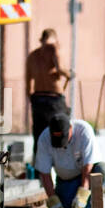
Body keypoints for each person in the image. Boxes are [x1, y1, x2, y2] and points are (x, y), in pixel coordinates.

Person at [34, 113, 105, 208]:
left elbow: (88, 165)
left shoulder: (84, 131)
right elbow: (44, 173)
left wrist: (83, 192)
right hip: (66, 182)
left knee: (103, 170)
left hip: (85, 176)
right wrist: (52, 199)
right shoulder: (44, 139)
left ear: (71, 128)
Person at [26, 28, 72, 164]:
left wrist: (32, 100)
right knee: (60, 132)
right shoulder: (54, 50)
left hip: (38, 99)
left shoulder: (32, 56)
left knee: (39, 136)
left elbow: (28, 83)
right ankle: (62, 165)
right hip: (54, 99)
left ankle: (39, 168)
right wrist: (69, 74)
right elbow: (60, 69)